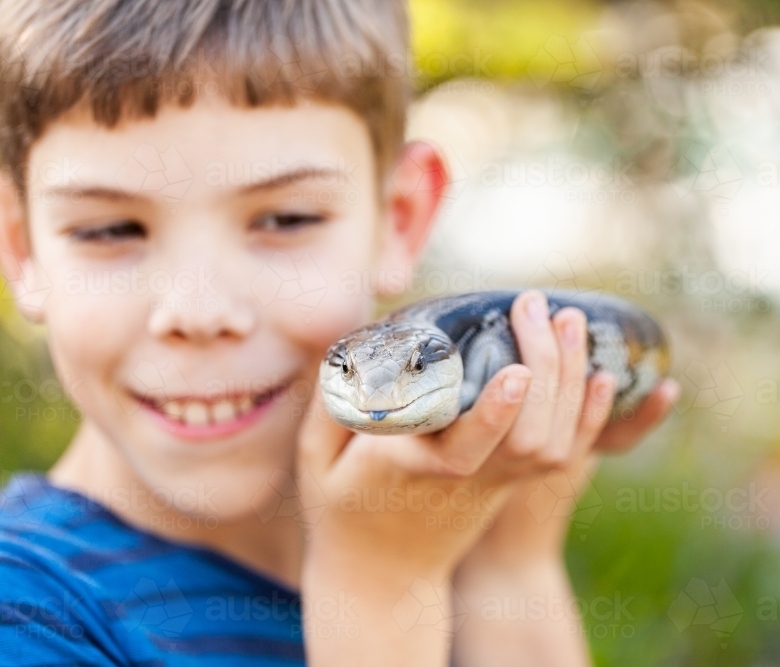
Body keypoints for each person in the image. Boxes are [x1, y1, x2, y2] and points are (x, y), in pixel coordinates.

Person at [0, 0, 679, 664]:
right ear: (20, 246)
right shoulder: (25, 614)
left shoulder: (431, 533)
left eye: (286, 218)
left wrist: (508, 558)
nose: (199, 311)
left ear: (402, 217)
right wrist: (379, 585)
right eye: (110, 229)